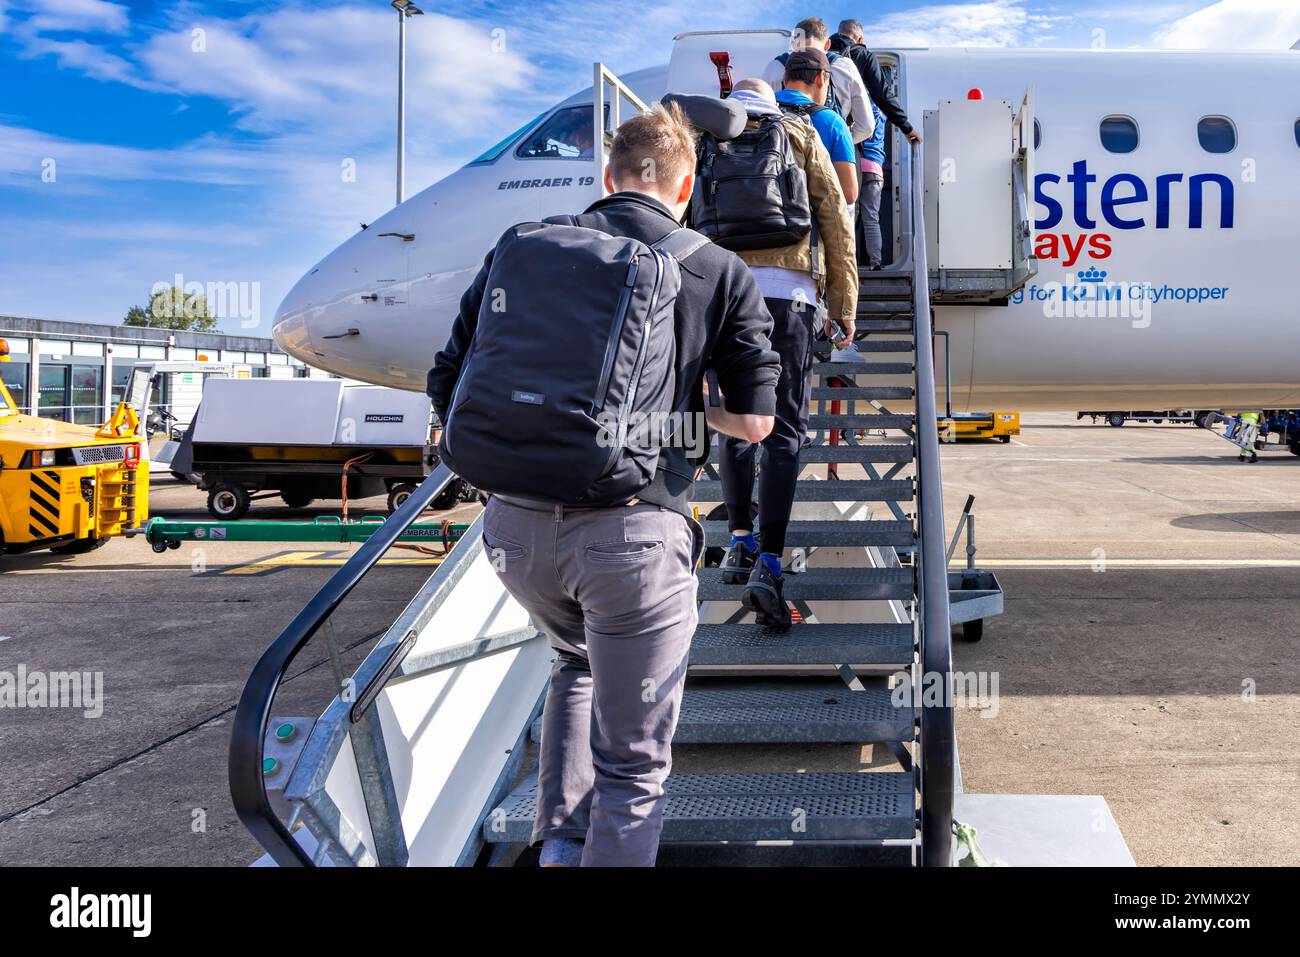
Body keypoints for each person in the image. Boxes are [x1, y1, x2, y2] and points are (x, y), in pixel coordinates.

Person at [428, 103, 780, 867]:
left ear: (608, 176)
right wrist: (687, 414)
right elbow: (756, 423)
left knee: (573, 663)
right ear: (685, 185)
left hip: (512, 534)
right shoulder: (720, 270)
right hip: (629, 537)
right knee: (633, 769)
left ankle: (557, 850)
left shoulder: (525, 247)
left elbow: (446, 378)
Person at [717, 76, 858, 629]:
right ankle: (770, 560)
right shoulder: (799, 132)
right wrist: (844, 303)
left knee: (734, 420)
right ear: (773, 102)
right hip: (790, 295)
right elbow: (837, 218)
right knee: (782, 428)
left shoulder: (710, 137)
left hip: (725, 290)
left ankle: (738, 541)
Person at [762, 17, 874, 154]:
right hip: (832, 158)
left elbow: (763, 117)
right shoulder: (845, 66)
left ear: (794, 43)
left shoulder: (774, 66)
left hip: (782, 154)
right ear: (827, 44)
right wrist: (839, 140)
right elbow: (866, 126)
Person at [774, 47, 859, 206]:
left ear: (785, 79)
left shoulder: (759, 111)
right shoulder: (833, 122)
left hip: (754, 221)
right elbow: (849, 194)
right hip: (805, 225)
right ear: (822, 78)